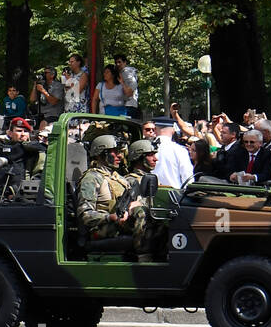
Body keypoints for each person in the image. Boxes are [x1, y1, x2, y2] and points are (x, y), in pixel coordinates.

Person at [76, 133, 153, 262]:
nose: (120, 156)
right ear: (101, 153)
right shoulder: (92, 178)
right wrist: (111, 217)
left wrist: (136, 203)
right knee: (142, 215)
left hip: (121, 223)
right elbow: (85, 214)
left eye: (120, 152)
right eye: (115, 152)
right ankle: (144, 258)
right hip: (103, 228)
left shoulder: (118, 178)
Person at [150, 119, 195, 187]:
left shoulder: (147, 148)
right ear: (173, 131)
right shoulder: (180, 150)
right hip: (173, 194)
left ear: (155, 129)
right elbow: (187, 178)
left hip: (150, 194)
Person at [113, 54, 140, 120]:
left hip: (129, 105)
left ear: (125, 62)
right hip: (129, 105)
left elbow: (132, 86)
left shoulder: (125, 72)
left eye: (119, 62)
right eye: (116, 63)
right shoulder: (126, 72)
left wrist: (122, 83)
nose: (118, 64)